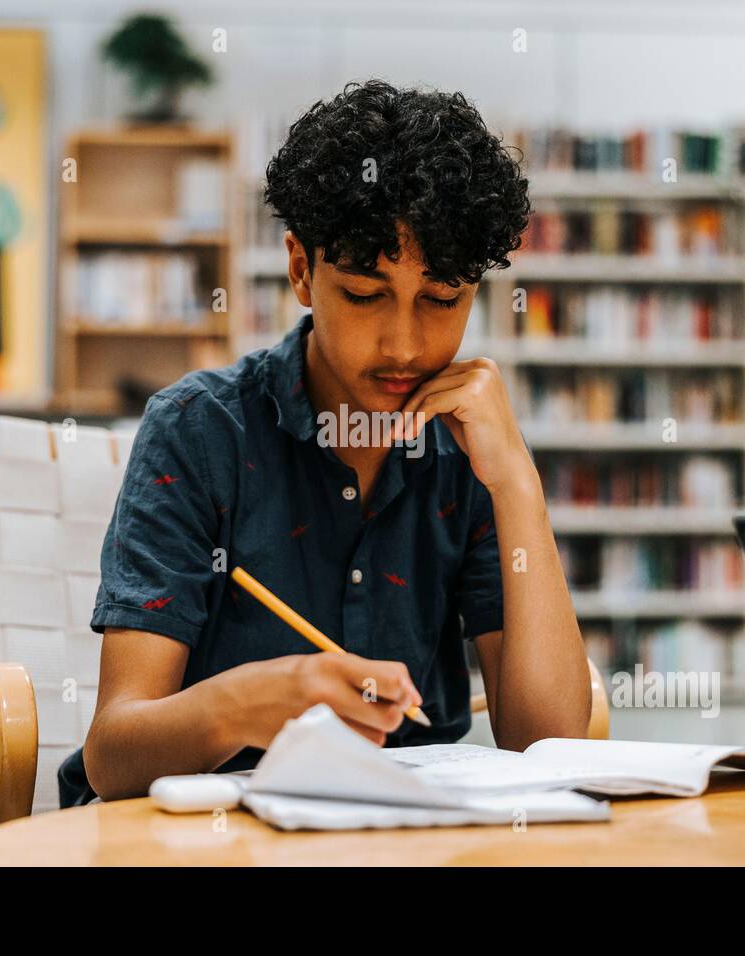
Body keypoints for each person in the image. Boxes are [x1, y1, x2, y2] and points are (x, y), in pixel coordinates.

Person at [61, 79, 592, 805]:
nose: (405, 344)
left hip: (403, 838)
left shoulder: (470, 450)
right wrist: (255, 699)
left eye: (441, 300)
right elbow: (113, 758)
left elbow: (548, 744)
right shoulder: (198, 432)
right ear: (301, 270)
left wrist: (518, 486)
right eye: (366, 295)